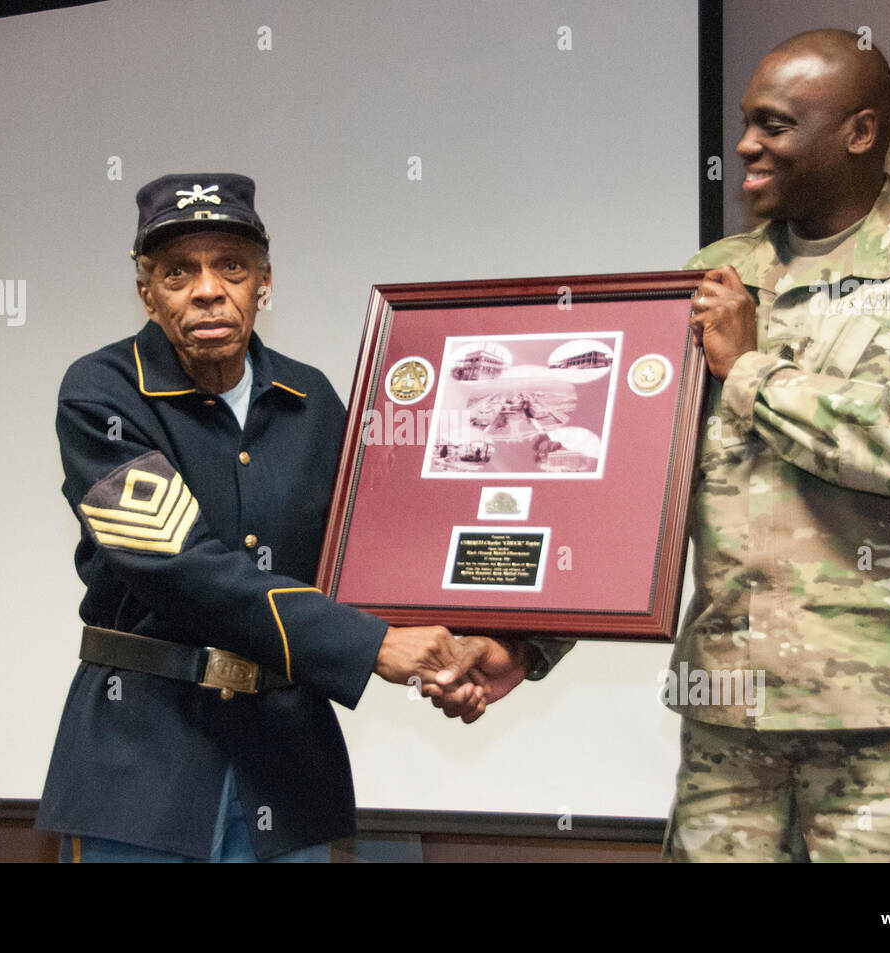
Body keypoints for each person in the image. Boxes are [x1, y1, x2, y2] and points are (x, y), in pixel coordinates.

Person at [438, 29, 890, 863]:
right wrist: (531, 640)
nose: (746, 144)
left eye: (776, 125)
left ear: (860, 132)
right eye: (746, 122)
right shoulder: (716, 272)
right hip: (732, 725)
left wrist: (751, 370)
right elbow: (649, 485)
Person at [35, 173, 533, 862]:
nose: (208, 288)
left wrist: (498, 641)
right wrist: (374, 648)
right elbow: (181, 566)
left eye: (231, 266)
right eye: (180, 270)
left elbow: (386, 544)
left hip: (286, 769)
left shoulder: (312, 399)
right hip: (142, 771)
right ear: (147, 290)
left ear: (263, 282)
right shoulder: (101, 393)